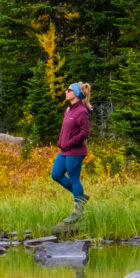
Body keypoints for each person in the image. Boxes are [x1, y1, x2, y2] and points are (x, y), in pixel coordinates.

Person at [51, 81, 92, 224]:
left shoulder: (82, 111)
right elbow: (65, 129)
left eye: (68, 90)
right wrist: (60, 141)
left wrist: (69, 142)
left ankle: (77, 212)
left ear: (76, 93)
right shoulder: (69, 110)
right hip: (64, 150)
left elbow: (84, 133)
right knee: (56, 174)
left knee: (74, 179)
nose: (66, 92)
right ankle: (81, 196)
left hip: (75, 151)